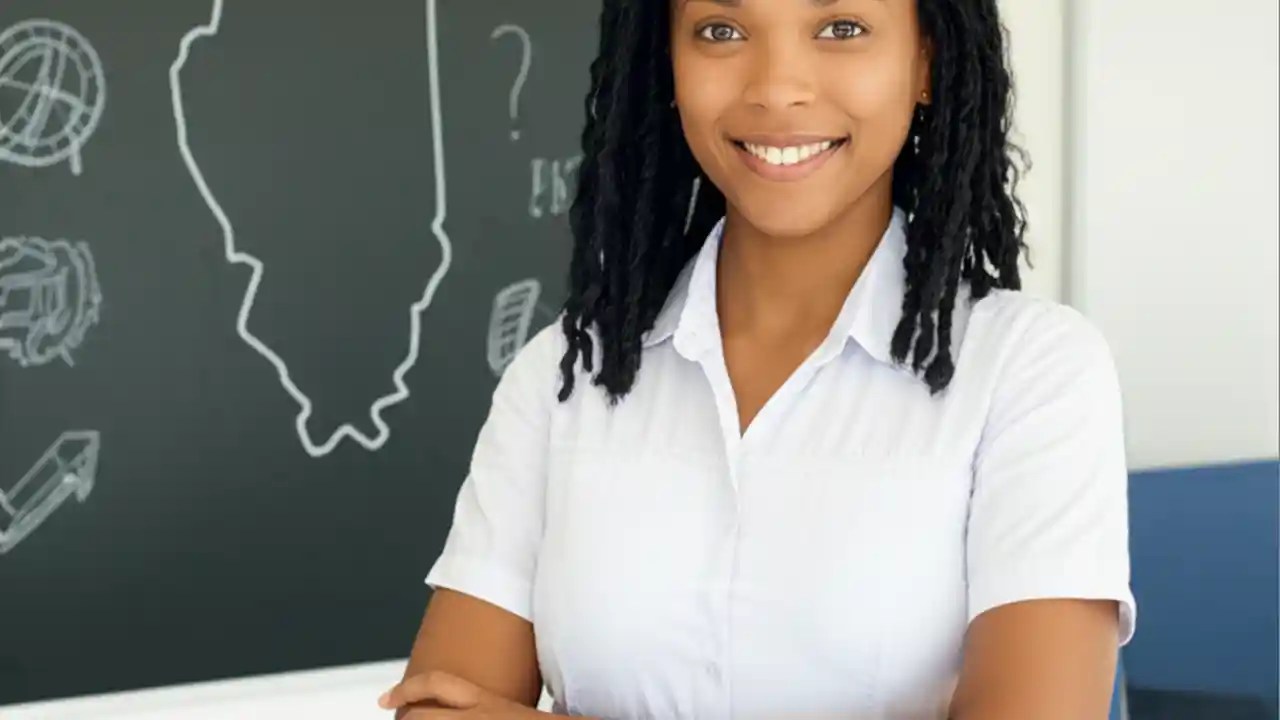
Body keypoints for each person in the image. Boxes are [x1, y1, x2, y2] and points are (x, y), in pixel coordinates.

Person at [378, 0, 1136, 717]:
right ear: (665, 63)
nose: (777, 89)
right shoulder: (562, 375)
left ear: (926, 61)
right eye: (720, 31)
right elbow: (438, 705)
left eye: (840, 27)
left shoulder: (1031, 371)